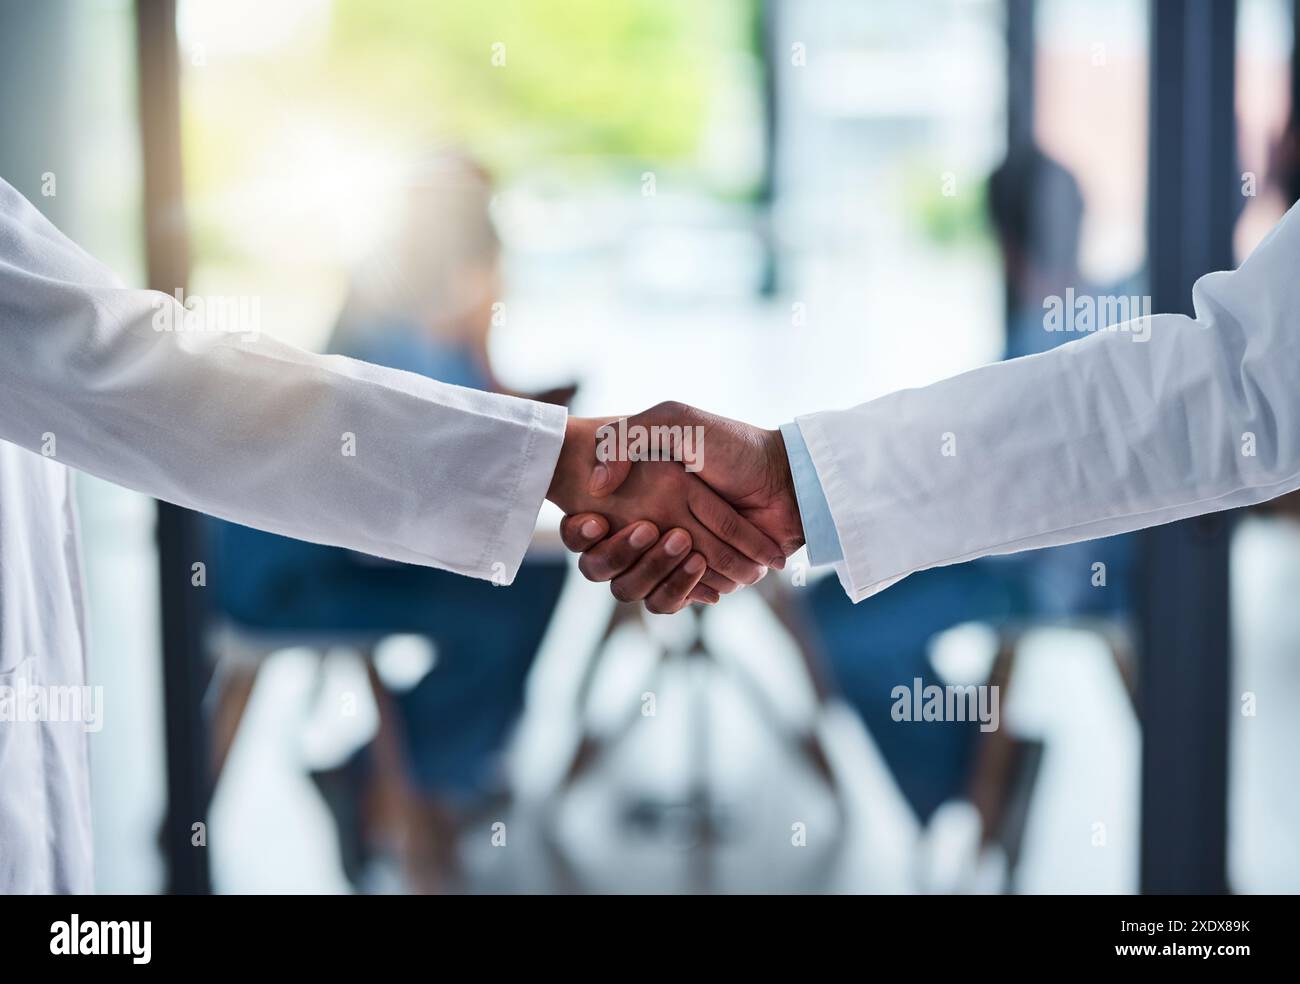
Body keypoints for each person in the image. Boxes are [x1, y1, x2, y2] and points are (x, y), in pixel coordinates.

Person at [0, 174, 781, 893]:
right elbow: (131, 370)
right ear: (464, 264)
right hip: (292, 581)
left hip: (317, 560)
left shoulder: (417, 320)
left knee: (520, 579)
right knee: (513, 592)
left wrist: (523, 413)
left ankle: (416, 776)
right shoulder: (394, 332)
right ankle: (414, 781)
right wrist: (555, 451)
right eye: (490, 267)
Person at [562, 195, 1300, 610]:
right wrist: (796, 483)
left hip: (1041, 582)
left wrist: (798, 482)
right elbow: (1238, 385)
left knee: (853, 635)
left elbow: (1233, 389)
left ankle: (974, 794)